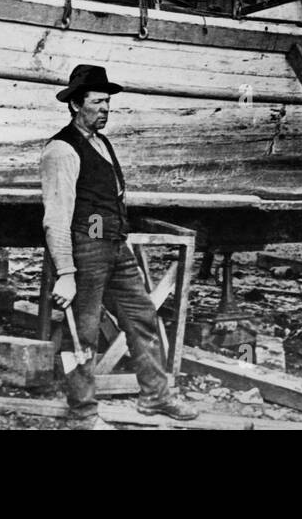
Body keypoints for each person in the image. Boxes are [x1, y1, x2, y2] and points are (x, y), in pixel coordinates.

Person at [40, 64, 198, 427]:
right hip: (86, 252)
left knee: (142, 317)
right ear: (76, 105)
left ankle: (156, 397)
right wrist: (66, 273)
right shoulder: (61, 150)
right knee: (83, 332)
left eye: (108, 102)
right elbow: (56, 217)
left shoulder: (102, 143)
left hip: (114, 248)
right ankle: (83, 414)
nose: (105, 109)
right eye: (98, 102)